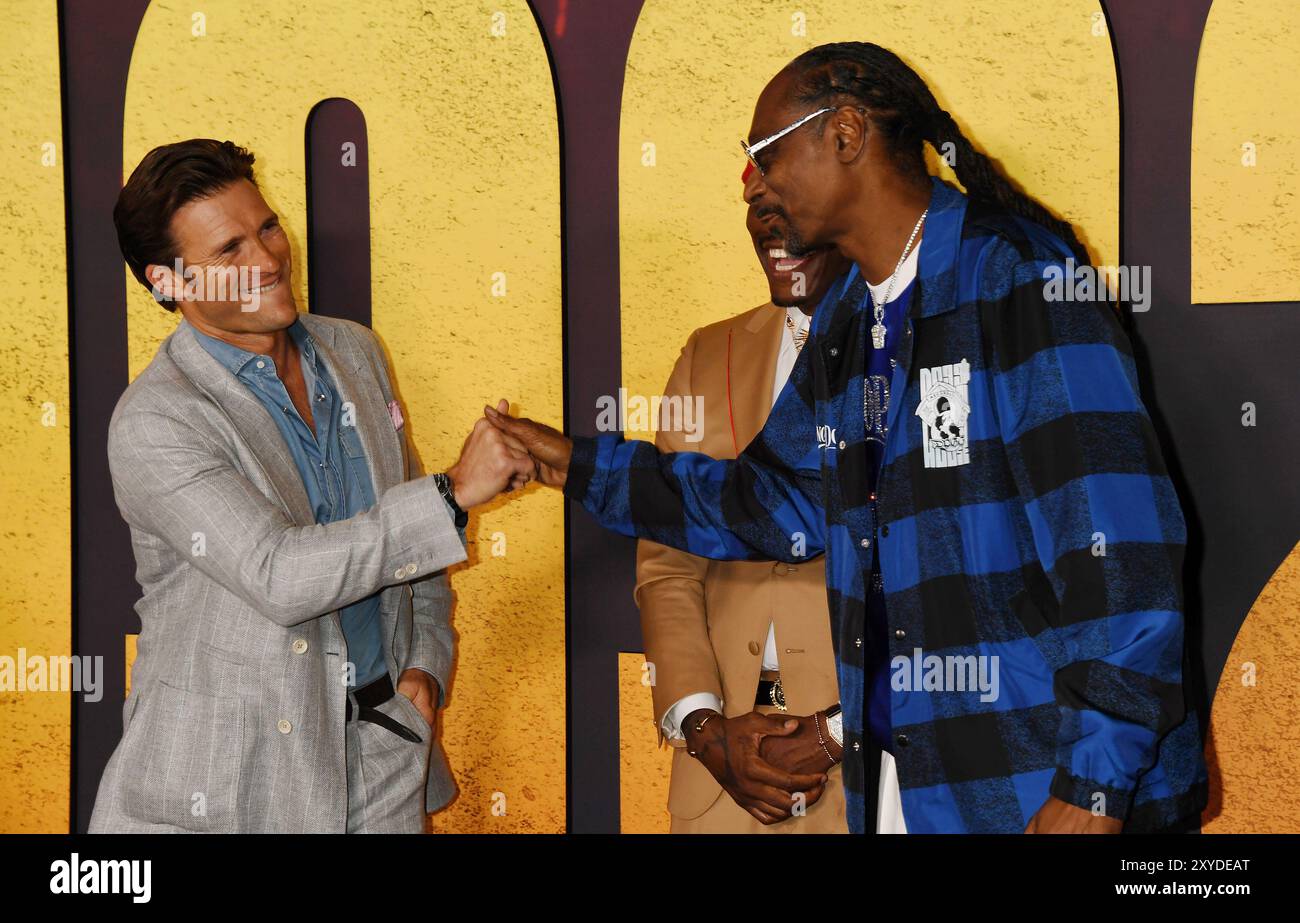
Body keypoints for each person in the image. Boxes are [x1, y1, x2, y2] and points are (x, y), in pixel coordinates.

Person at [485, 43, 1208, 834]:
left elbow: (1121, 551)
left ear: (847, 133)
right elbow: (768, 503)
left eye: (763, 153)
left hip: (1039, 784)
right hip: (905, 785)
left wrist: (1091, 785)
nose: (753, 181)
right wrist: (574, 463)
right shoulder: (848, 322)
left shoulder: (1019, 280)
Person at [88, 139, 532, 833]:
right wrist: (452, 493)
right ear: (168, 282)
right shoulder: (155, 421)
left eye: (266, 227)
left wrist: (422, 672)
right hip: (230, 786)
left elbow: (415, 548)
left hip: (385, 753)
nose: (267, 260)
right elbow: (280, 572)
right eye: (228, 250)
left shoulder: (353, 349)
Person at [636, 165, 852, 832]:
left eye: (789, 200)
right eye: (757, 203)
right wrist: (705, 728)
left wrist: (837, 732)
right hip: (720, 783)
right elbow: (668, 559)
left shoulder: (919, 349)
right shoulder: (710, 353)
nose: (770, 224)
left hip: (870, 778)